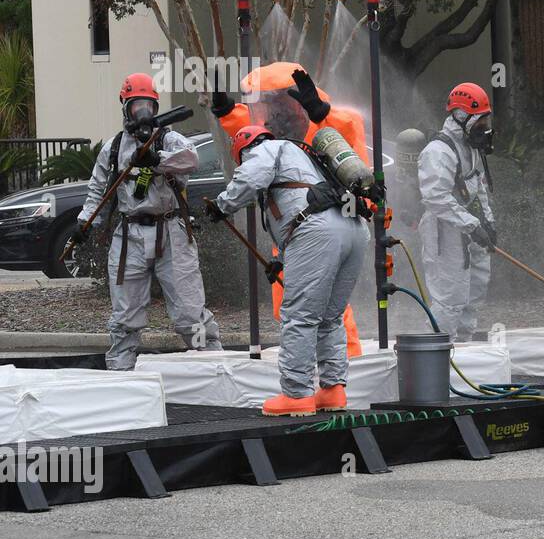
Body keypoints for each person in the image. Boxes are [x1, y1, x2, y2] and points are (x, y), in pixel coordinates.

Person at [206, 125, 369, 416]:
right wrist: (281, 259)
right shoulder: (306, 157)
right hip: (353, 229)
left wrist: (222, 205)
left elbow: (251, 179)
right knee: (330, 316)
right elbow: (299, 211)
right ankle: (333, 391)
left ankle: (297, 395)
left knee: (300, 316)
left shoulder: (267, 149)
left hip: (319, 232)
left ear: (244, 149)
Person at [211, 62, 367, 356]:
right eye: (266, 105)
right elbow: (252, 127)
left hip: (317, 229)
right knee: (298, 305)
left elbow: (344, 129)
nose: (270, 113)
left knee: (319, 307)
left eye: (276, 103)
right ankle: (324, 370)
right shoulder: (283, 127)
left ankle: (328, 367)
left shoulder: (330, 123)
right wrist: (226, 111)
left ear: (294, 102)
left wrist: (222, 206)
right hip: (299, 233)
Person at [71, 73, 222, 369]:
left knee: (190, 312)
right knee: (125, 315)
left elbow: (191, 160)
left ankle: (213, 363)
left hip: (171, 233)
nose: (142, 111)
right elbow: (98, 189)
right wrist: (85, 222)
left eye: (147, 105)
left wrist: (156, 160)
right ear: (125, 107)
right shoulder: (114, 148)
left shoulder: (169, 138)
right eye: (135, 104)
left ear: (155, 107)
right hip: (130, 236)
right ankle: (121, 371)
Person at [417, 83, 497, 341]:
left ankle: (464, 346)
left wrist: (488, 221)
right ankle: (442, 354)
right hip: (445, 230)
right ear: (461, 117)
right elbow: (435, 198)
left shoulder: (471, 147)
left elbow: (479, 186)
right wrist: (472, 225)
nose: (484, 128)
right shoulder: (438, 152)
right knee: (450, 296)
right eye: (480, 122)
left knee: (475, 291)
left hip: (469, 226)